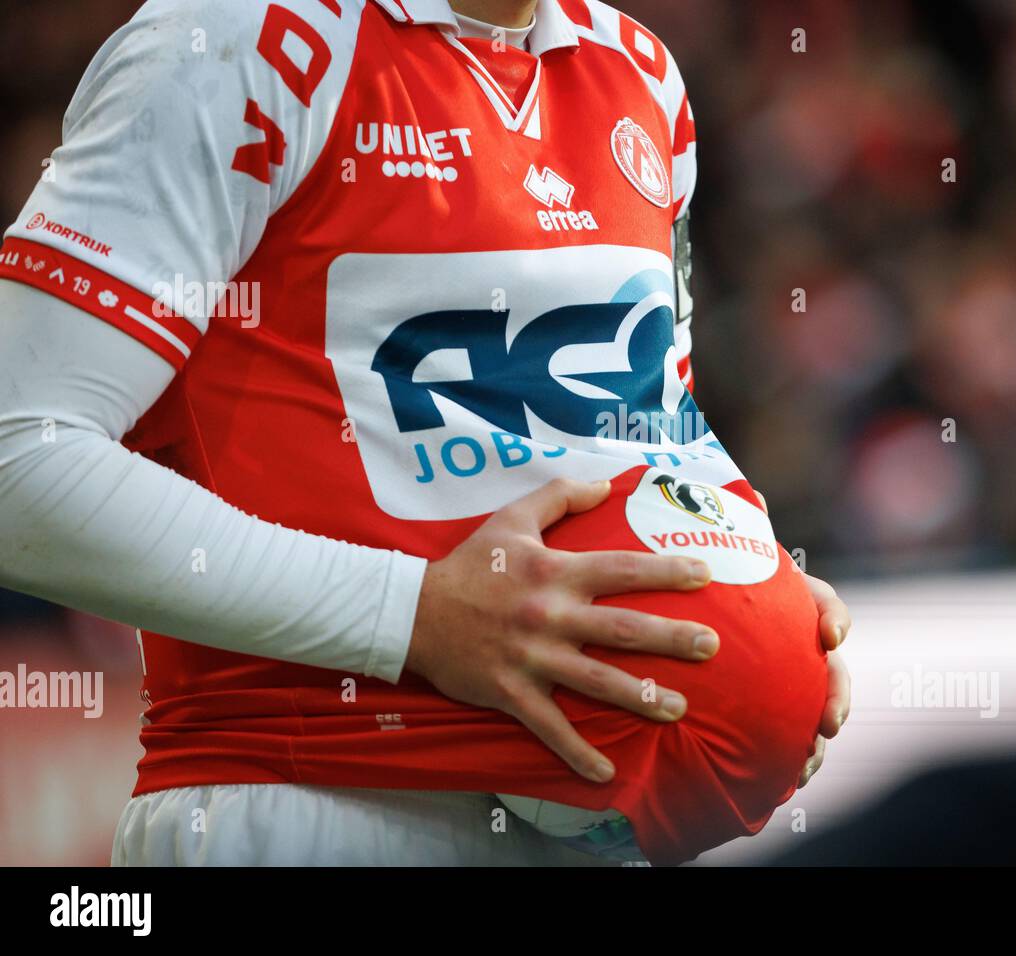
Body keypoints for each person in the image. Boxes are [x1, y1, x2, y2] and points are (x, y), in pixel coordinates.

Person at [0, 0, 851, 865]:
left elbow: (646, 434)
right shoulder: (231, 39)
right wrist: (409, 618)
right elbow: (18, 460)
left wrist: (747, 579)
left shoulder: (641, 71)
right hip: (310, 801)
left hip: (585, 818)